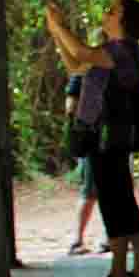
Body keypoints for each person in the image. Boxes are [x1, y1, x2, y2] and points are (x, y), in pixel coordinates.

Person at [46, 0, 139, 277]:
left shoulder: (119, 51)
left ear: (124, 21)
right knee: (123, 198)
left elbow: (80, 51)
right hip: (115, 137)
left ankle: (119, 272)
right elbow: (75, 64)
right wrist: (57, 32)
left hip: (107, 137)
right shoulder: (119, 52)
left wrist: (61, 26)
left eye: (112, 11)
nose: (106, 14)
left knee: (112, 201)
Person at [62, 67, 98, 254]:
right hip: (93, 140)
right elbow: (71, 107)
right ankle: (77, 240)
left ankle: (110, 239)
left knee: (101, 192)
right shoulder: (83, 73)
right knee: (90, 192)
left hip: (101, 138)